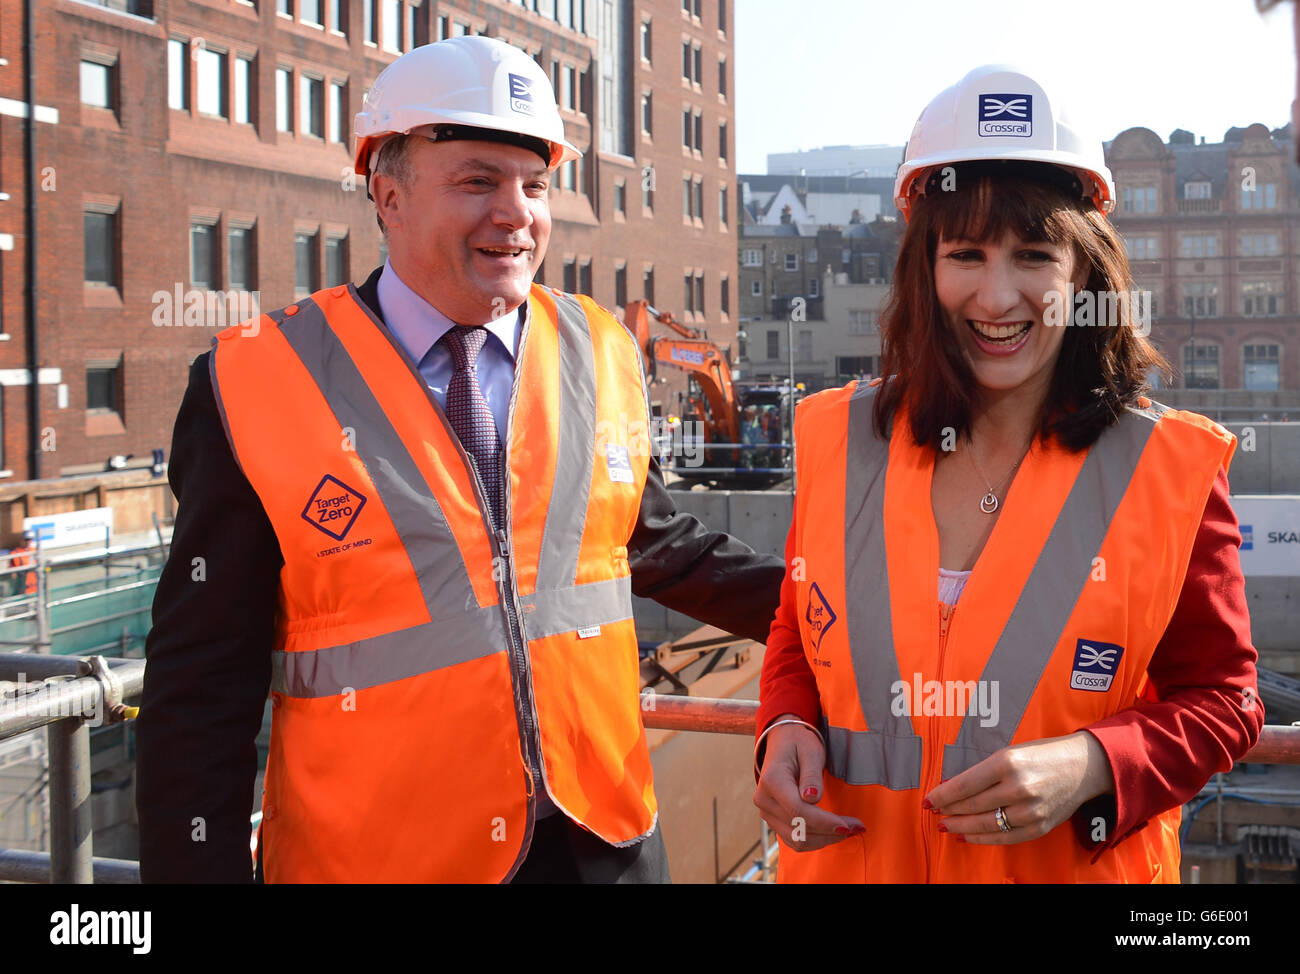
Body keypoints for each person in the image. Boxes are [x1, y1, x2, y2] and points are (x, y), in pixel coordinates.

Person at [137, 36, 785, 884]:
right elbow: (200, 689)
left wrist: (843, 619)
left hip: (604, 846)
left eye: (535, 185)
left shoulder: (599, 349)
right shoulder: (255, 384)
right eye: (478, 182)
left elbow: (649, 543)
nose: (516, 214)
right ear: (389, 193)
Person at [752, 65, 1263, 883]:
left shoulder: (1168, 470)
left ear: (1085, 273)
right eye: (965, 254)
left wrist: (1098, 763)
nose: (997, 296)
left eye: (1034, 255)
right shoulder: (837, 440)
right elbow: (797, 631)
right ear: (925, 268)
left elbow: (1226, 701)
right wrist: (786, 726)